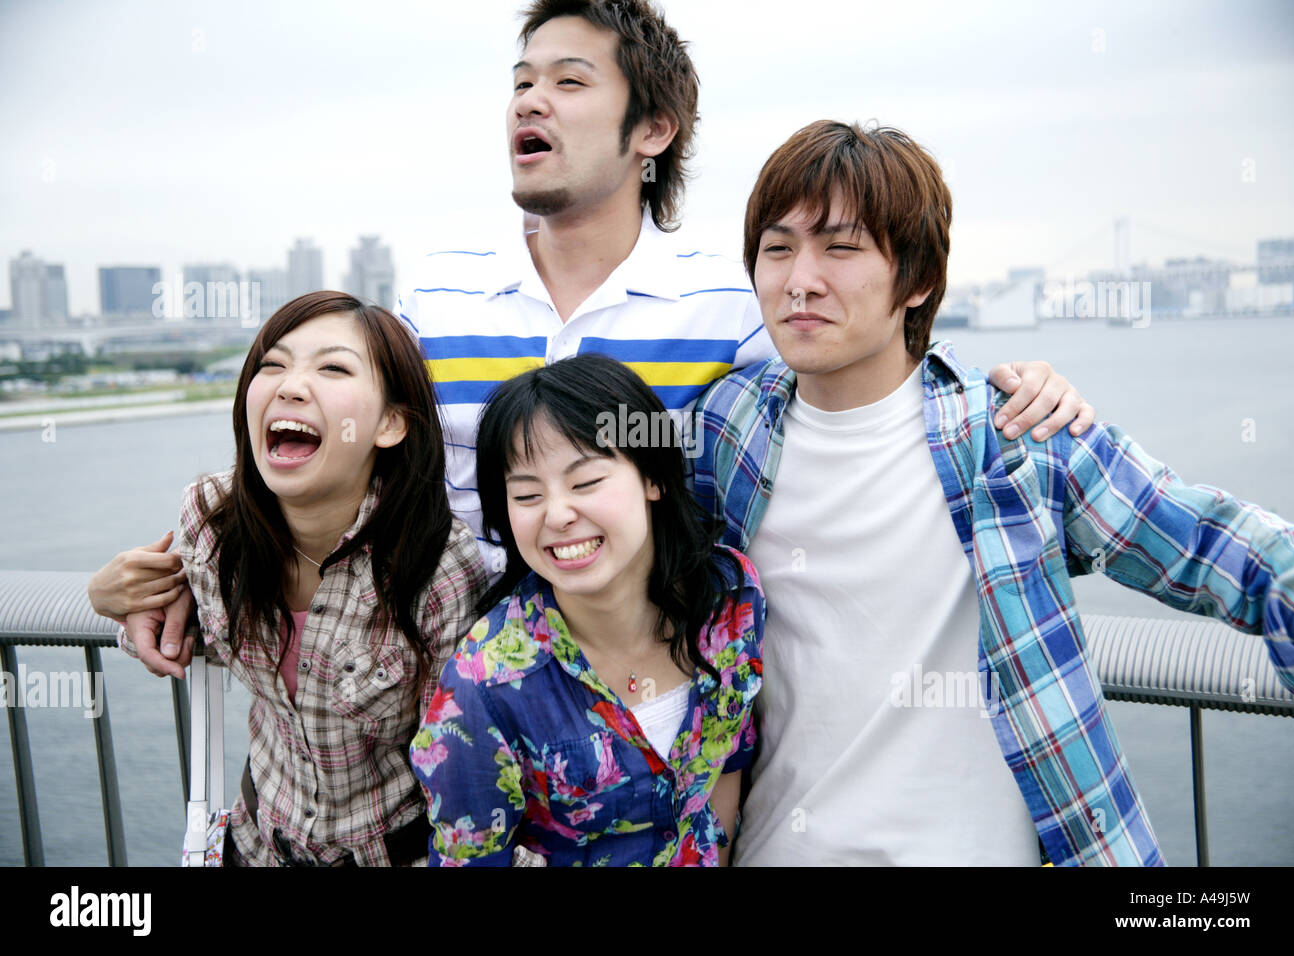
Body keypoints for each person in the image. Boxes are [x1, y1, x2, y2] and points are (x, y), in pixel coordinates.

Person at [89, 0, 1088, 661]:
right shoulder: (436, 299)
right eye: (523, 80)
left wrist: (1012, 389)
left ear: (653, 131)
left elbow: (850, 416)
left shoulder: (733, 311)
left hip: (650, 737)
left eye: (570, 81)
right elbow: (322, 459)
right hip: (446, 721)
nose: (530, 98)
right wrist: (182, 563)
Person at [691, 120, 1294, 866]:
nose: (800, 278)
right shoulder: (728, 432)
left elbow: (1228, 551)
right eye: (778, 247)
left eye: (841, 248)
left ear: (915, 280)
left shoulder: (1013, 438)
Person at [119, 291, 488, 865]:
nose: (290, 385)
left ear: (390, 422)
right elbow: (184, 616)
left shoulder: (436, 566)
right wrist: (125, 603)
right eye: (273, 364)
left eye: (333, 367)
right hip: (258, 842)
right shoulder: (212, 519)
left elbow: (464, 763)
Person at [409, 353, 764, 866]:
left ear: (652, 478)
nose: (557, 515)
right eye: (527, 495)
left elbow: (729, 760)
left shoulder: (730, 599)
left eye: (586, 482)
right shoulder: (483, 686)